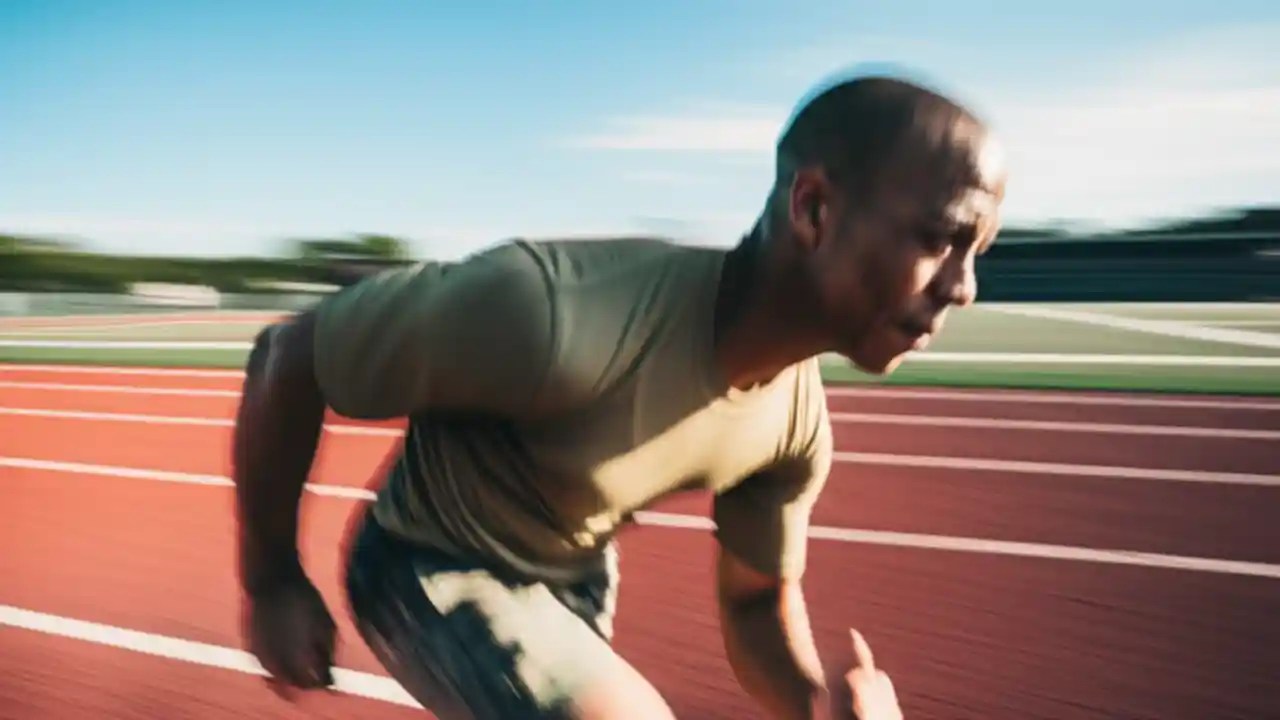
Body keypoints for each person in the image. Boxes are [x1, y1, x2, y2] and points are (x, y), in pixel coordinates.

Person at [231, 71, 1007, 720]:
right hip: (424, 562)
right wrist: (272, 581)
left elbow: (754, 607)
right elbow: (288, 356)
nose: (964, 288)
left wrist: (816, 708)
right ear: (813, 210)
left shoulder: (796, 428)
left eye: (979, 253)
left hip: (571, 573)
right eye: (942, 238)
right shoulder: (550, 315)